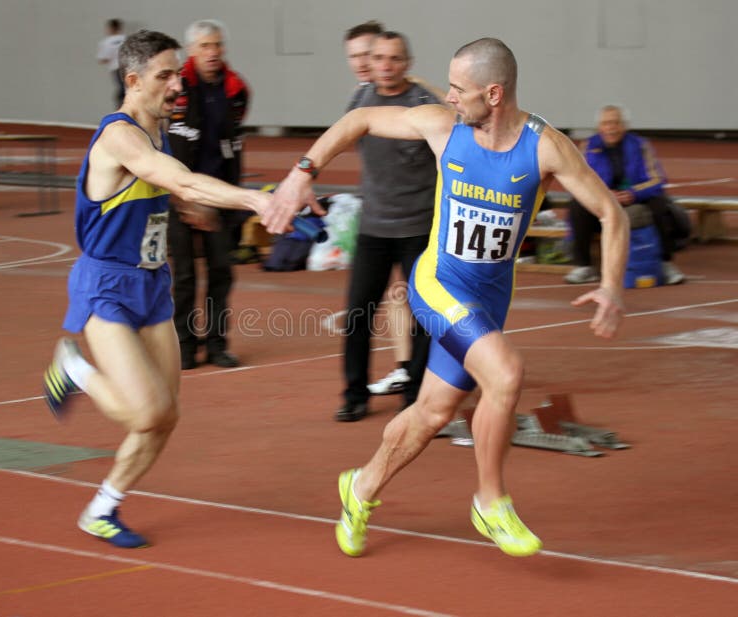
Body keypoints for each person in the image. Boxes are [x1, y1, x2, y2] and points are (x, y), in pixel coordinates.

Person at [264, 37, 629, 557]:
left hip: (489, 299)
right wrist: (300, 174)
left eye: (459, 88)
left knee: (433, 412)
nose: (449, 96)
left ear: (494, 93)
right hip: (438, 284)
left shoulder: (544, 148)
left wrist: (611, 284)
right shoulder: (442, 127)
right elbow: (360, 120)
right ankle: (490, 501)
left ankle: (361, 487)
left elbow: (611, 214)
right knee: (505, 374)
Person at [42, 30, 270, 548]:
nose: (177, 86)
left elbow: (163, 188)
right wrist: (256, 200)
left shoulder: (156, 133)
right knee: (146, 411)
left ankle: (102, 507)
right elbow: (178, 178)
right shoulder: (119, 136)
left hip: (151, 283)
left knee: (165, 416)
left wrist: (187, 208)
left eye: (178, 75)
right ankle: (73, 369)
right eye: (165, 76)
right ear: (133, 80)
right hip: (107, 285)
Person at [331, 31, 439, 422]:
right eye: (378, 58)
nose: (386, 66)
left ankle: (415, 395)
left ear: (407, 63)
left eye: (394, 58)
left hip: (418, 228)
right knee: (358, 314)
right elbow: (341, 138)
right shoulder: (360, 100)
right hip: (373, 229)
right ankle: (354, 395)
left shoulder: (424, 103)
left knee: (425, 317)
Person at [167, 19, 251, 369]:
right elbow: (163, 144)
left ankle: (217, 345)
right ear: (191, 50)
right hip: (178, 193)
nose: (212, 52)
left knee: (221, 272)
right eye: (204, 46)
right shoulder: (176, 88)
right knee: (184, 275)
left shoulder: (236, 89)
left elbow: (233, 144)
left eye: (217, 45)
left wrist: (232, 199)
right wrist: (181, 197)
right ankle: (184, 347)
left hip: (219, 195)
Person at [565, 104, 685, 285]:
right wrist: (605, 195)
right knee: (577, 205)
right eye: (606, 123)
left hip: (635, 200)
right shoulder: (588, 146)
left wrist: (633, 193)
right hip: (603, 202)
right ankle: (583, 266)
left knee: (660, 204)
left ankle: (664, 263)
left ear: (625, 126)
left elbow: (657, 179)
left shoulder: (640, 145)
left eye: (616, 123)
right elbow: (579, 180)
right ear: (599, 127)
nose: (611, 128)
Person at [97, 18, 126, 109]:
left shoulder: (107, 42)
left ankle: (120, 109)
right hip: (127, 67)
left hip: (116, 68)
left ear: (111, 28)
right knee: (126, 88)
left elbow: (103, 59)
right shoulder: (126, 39)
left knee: (121, 90)